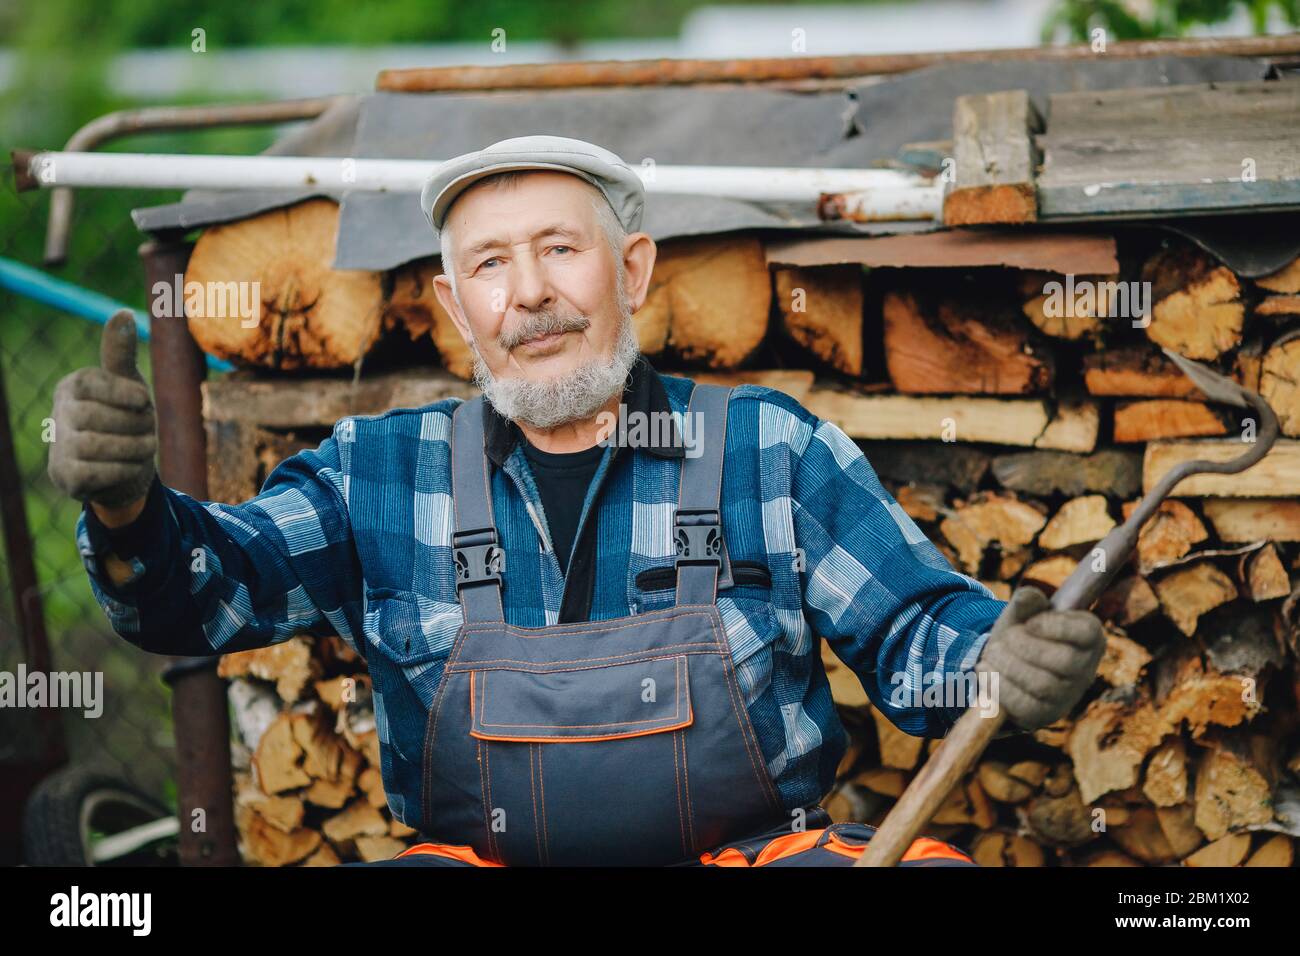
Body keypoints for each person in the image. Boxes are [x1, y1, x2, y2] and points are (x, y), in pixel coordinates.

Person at [49, 135, 1104, 867]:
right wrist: (130, 507)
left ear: (633, 270)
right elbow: (203, 596)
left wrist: (993, 660)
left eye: (561, 248)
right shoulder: (378, 470)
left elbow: (917, 629)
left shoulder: (765, 446)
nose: (532, 293)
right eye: (491, 266)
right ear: (457, 307)